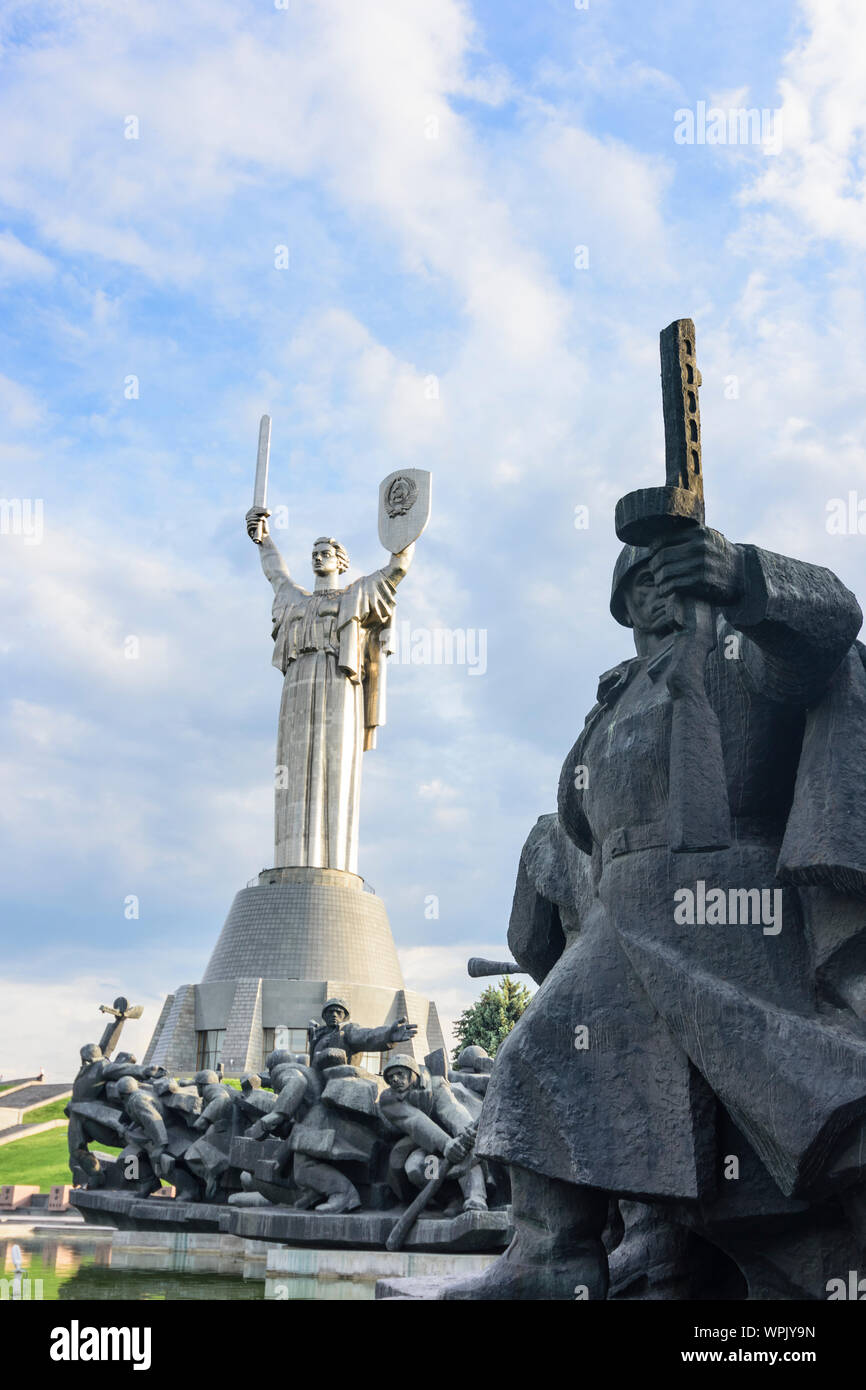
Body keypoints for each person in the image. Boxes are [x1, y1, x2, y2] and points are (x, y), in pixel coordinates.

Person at [443, 526, 866, 1299]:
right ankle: (586, 1256)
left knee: (796, 1089)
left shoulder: (744, 653)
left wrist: (743, 573)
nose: (658, 589)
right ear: (621, 602)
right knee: (559, 1062)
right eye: (640, 581)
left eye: (673, 570)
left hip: (732, 904)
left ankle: (560, 1258)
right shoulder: (618, 694)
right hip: (627, 908)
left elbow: (834, 623)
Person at [379, 1054, 486, 1214]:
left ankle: (476, 1198)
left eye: (399, 1074)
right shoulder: (388, 1099)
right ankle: (452, 1198)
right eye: (390, 1077)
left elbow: (451, 1109)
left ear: (412, 1073)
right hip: (422, 1143)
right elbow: (415, 1121)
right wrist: (446, 1145)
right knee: (414, 1168)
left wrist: (466, 1133)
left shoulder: (435, 1084)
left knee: (466, 1151)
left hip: (455, 1134)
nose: (394, 1079)